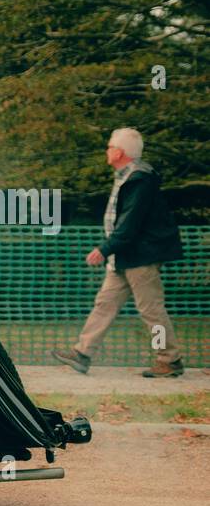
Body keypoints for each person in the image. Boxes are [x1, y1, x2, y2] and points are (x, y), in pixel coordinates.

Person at [52, 127, 183, 378]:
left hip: (140, 257)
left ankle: (169, 359)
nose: (107, 151)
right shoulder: (128, 177)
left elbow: (130, 224)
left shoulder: (139, 180)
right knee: (105, 304)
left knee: (151, 310)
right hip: (125, 256)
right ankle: (83, 353)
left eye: (110, 146)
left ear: (120, 152)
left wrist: (104, 249)